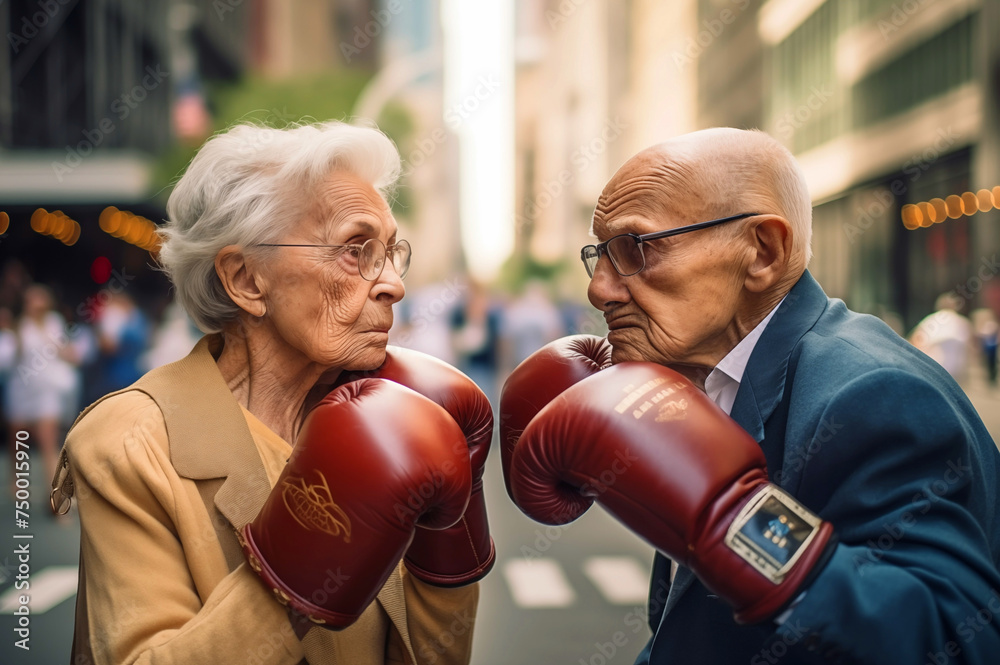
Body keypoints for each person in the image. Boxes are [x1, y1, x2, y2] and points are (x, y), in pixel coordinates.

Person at [499, 128, 1000, 663]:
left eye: (635, 249)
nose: (599, 288)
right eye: (599, 254)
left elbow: (957, 637)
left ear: (762, 252)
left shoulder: (873, 392)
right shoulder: (713, 376)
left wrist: (738, 524)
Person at [49, 120, 494, 665]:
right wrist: (298, 573)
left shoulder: (385, 414)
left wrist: (450, 537)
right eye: (355, 250)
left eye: (391, 252)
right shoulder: (131, 441)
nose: (393, 283)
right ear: (245, 279)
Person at [5, 284, 81, 497]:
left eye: (39, 300)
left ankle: (56, 497)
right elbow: (11, 358)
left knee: (49, 442)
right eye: (31, 300)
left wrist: (68, 353)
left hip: (48, 392)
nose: (35, 305)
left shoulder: (55, 322)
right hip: (22, 391)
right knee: (18, 441)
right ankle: (17, 480)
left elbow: (68, 352)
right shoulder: (19, 327)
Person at [908, 292, 974, 382]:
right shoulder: (963, 323)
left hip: (936, 368)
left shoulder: (931, 320)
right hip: (958, 370)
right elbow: (972, 347)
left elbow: (915, 341)